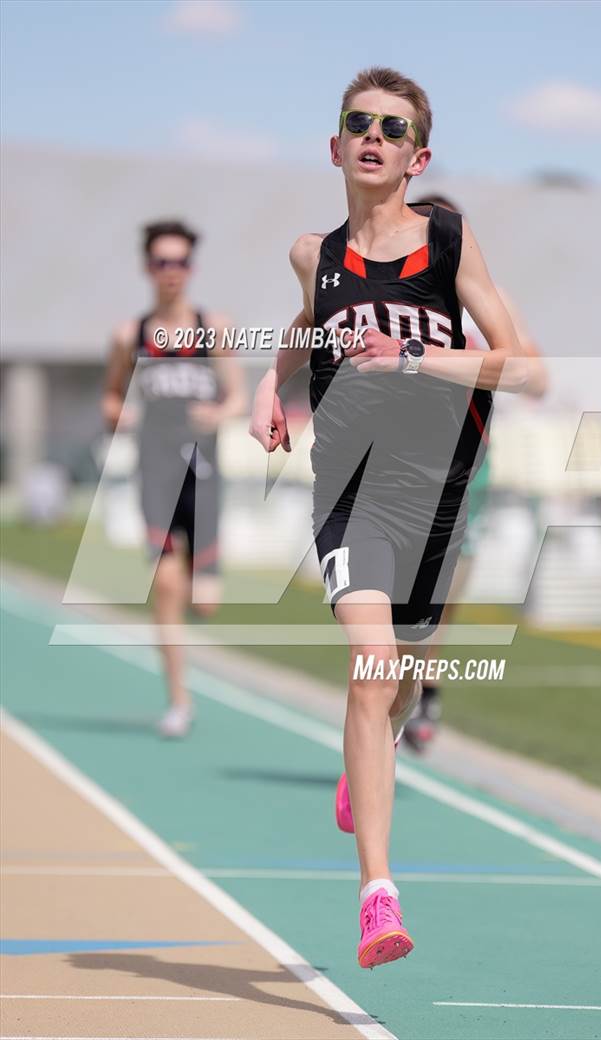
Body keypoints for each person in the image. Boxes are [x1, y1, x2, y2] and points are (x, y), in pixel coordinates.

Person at [250, 66, 536, 969]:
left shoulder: (449, 245)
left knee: (400, 689)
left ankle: (367, 755)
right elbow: (306, 323)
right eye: (358, 123)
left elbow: (524, 367)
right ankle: (379, 896)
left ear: (417, 156)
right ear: (336, 146)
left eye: (393, 127)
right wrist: (270, 379)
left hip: (435, 496)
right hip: (350, 492)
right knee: (372, 673)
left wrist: (412, 356)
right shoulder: (313, 253)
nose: (374, 136)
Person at [402, 194, 548, 753]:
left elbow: (535, 379)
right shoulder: (388, 298)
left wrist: (473, 358)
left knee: (437, 601)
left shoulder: (487, 300)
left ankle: (423, 689)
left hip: (464, 469)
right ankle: (383, 718)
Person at [103, 220, 244, 738]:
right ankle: (179, 702)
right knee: (165, 586)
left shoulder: (214, 327)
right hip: (156, 476)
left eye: (179, 262)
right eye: (161, 262)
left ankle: (198, 584)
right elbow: (110, 397)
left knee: (203, 599)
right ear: (148, 268)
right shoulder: (130, 336)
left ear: (191, 269)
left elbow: (237, 396)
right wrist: (122, 415)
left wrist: (221, 412)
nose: (171, 272)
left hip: (203, 477)